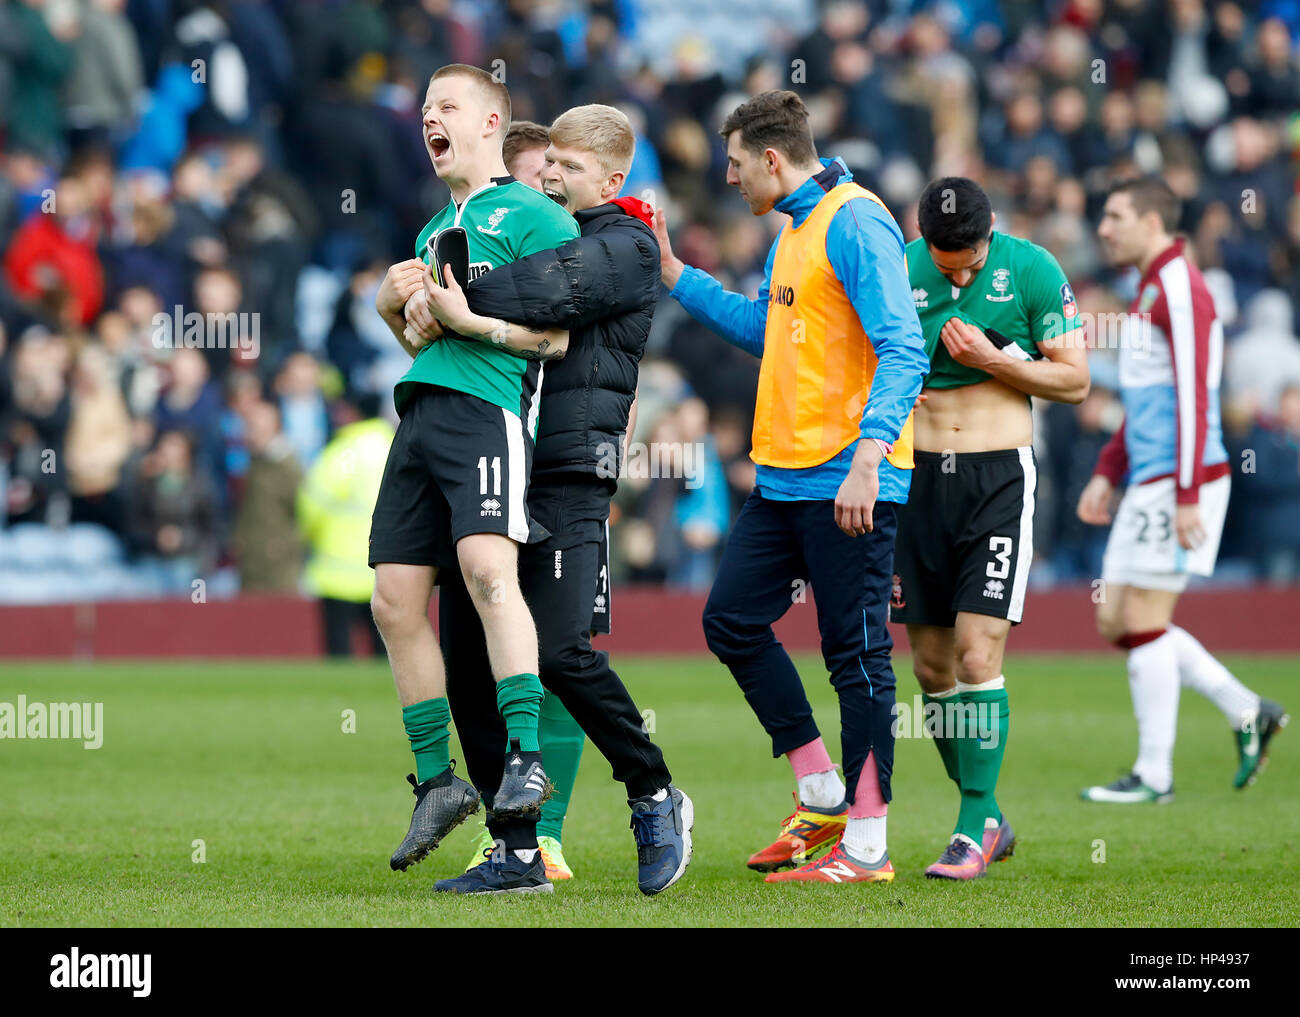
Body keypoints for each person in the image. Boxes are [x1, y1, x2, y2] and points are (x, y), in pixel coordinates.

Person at [406, 105, 692, 896]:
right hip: (492, 468)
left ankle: (653, 789)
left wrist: (443, 286)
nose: (550, 179)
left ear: (610, 177)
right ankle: (520, 850)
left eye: (564, 168)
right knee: (469, 663)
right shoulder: (544, 227)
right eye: (546, 168)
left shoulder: (624, 246)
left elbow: (554, 288)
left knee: (562, 651)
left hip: (568, 472)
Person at [656, 90, 929, 885]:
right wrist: (678, 275)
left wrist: (871, 457)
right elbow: (764, 330)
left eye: (736, 165)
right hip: (783, 480)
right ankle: (820, 794)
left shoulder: (855, 219)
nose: (730, 178)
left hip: (850, 476)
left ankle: (868, 846)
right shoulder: (798, 230)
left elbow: (902, 347)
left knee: (858, 656)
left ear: (772, 159)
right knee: (732, 620)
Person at [367, 64, 578, 887]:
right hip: (419, 416)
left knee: (490, 572)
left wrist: (468, 318)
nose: (430, 118)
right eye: (425, 109)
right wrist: (396, 313)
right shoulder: (432, 230)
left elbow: (556, 342)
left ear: (492, 124)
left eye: (447, 106)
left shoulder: (533, 215)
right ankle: (439, 781)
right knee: (391, 598)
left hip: (486, 416)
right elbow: (429, 347)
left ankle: (524, 757)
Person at [893, 177, 1091, 880]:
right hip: (914, 479)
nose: (960, 272)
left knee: (980, 657)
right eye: (946, 262)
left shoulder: (1032, 268)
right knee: (931, 667)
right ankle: (987, 811)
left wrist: (996, 359)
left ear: (992, 229)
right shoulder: (901, 264)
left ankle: (973, 821)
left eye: (971, 258)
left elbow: (1075, 381)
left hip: (997, 478)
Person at [1077, 177, 1288, 802]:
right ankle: (1247, 710)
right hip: (1151, 477)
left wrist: (1189, 492)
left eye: (1115, 216)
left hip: (1179, 480)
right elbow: (1148, 396)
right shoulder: (1145, 288)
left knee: (1141, 618)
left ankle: (1153, 775)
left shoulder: (1179, 290)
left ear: (1151, 222)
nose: (1104, 229)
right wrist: (1107, 471)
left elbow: (1198, 397)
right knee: (1116, 618)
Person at [296, 393, 394, 656]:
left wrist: (312, 537)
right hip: (386, 567)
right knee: (386, 652)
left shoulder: (342, 453)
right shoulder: (395, 445)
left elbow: (310, 505)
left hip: (337, 572)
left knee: (339, 650)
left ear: (353, 413)